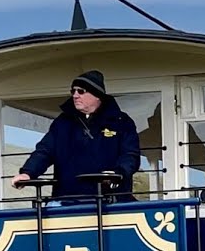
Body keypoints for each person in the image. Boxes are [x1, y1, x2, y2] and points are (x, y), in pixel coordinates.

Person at [11, 70, 141, 202]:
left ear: (97, 95)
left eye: (81, 91)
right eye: (73, 91)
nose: (75, 95)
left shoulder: (121, 122)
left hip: (111, 201)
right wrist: (27, 173)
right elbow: (45, 151)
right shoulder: (62, 122)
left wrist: (118, 173)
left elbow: (130, 155)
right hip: (67, 201)